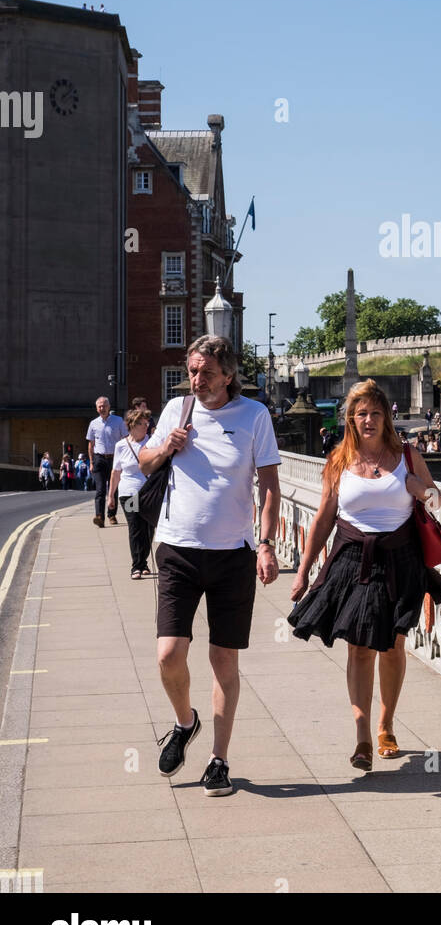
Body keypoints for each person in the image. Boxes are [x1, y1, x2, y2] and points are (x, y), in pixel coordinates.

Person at [139, 336, 281, 797]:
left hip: (233, 554)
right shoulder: (176, 411)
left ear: (228, 375)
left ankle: (219, 760)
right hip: (177, 548)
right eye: (192, 371)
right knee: (168, 654)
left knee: (223, 659)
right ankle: (185, 723)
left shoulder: (254, 417)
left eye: (205, 372)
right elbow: (144, 462)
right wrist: (166, 449)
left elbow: (271, 486)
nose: (196, 380)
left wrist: (265, 545)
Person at [288, 379, 441, 771]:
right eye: (361, 414)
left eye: (375, 413)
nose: (369, 420)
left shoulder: (406, 455)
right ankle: (361, 736)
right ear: (351, 419)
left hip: (401, 558)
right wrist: (304, 571)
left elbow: (430, 493)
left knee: (393, 645)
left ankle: (386, 723)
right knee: (358, 646)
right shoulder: (339, 461)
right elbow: (324, 517)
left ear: (385, 418)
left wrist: (423, 491)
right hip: (352, 560)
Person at [107, 407, 152, 579]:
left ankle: (144, 562)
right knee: (135, 528)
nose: (145, 426)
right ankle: (136, 566)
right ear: (132, 425)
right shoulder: (121, 446)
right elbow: (116, 472)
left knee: (148, 529)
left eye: (146, 423)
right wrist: (110, 496)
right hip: (130, 493)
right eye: (141, 423)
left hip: (148, 493)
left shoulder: (152, 442)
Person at [86, 397, 126, 527]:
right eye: (99, 406)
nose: (102, 408)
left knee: (113, 490)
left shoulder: (118, 421)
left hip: (115, 459)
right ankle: (100, 517)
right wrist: (91, 462)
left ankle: (112, 514)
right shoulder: (93, 423)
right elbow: (91, 445)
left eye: (104, 406)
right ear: (97, 408)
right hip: (99, 459)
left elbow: (126, 439)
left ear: (109, 407)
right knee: (100, 490)